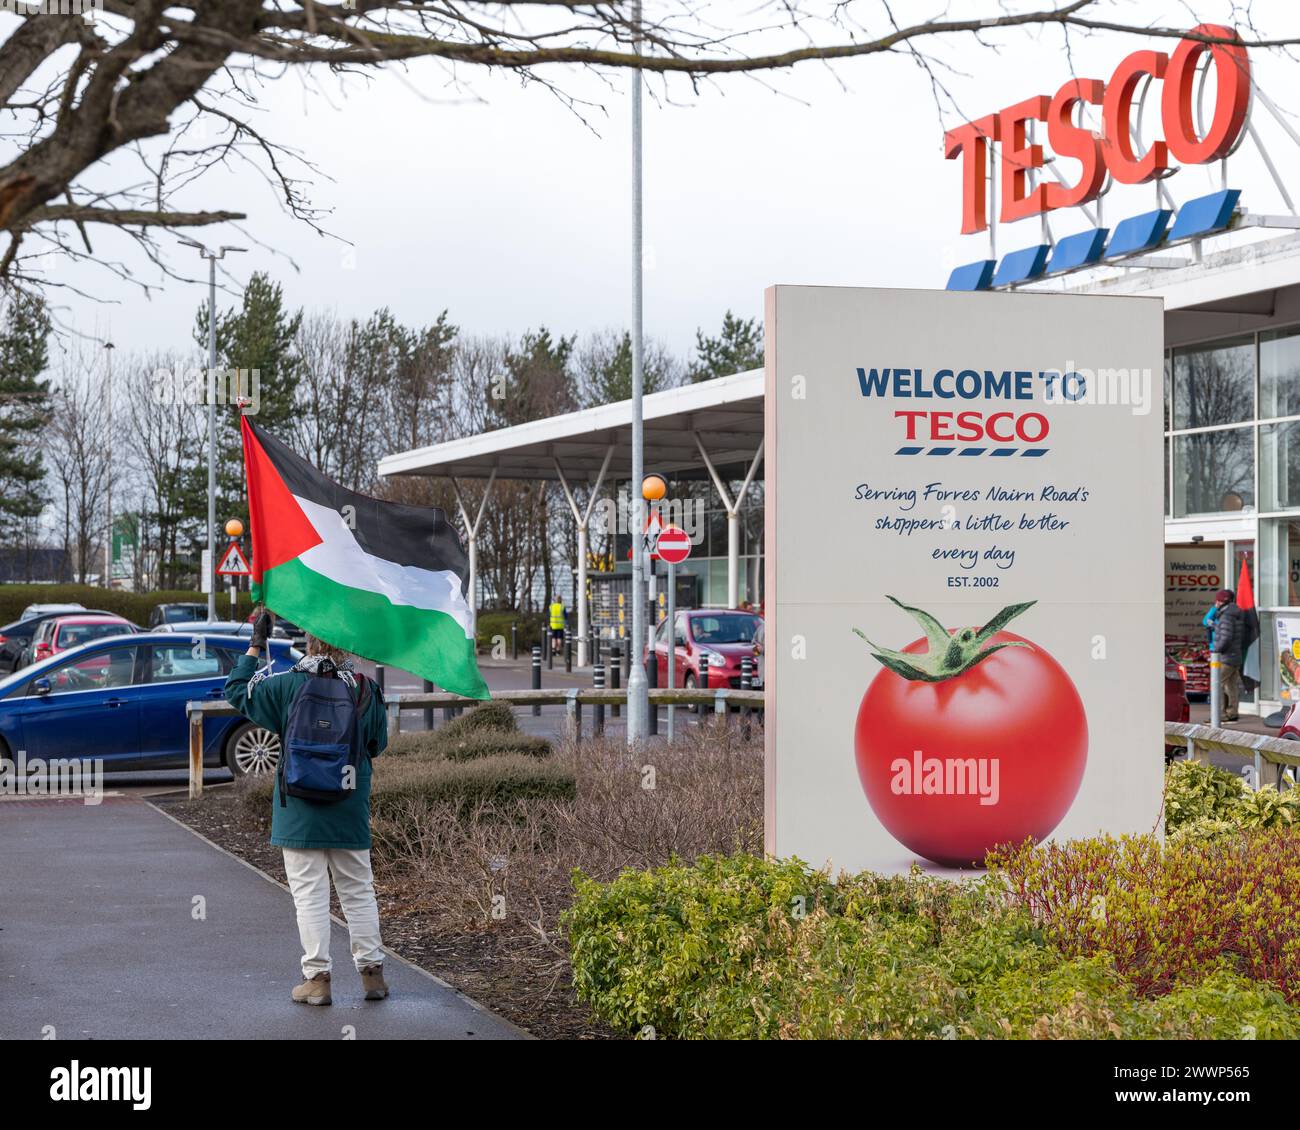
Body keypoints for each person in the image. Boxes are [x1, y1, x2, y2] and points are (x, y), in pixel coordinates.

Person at [224, 607, 390, 1006]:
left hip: (297, 810)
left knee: (310, 896)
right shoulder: (364, 689)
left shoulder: (286, 686)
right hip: (349, 807)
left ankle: (317, 981)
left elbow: (236, 690)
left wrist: (256, 642)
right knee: (357, 891)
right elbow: (377, 745)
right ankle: (373, 977)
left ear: (309, 643)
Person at [1210, 588, 1244, 723]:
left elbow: (1226, 637)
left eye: (1217, 600)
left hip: (1226, 657)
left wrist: (1216, 651)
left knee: (1216, 684)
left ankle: (1218, 715)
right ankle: (1232, 713)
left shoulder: (1226, 616)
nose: (1215, 603)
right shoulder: (1234, 613)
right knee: (1231, 685)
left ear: (1221, 602)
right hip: (1235, 655)